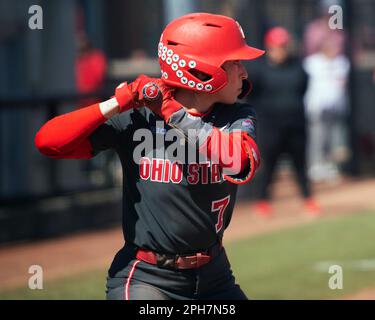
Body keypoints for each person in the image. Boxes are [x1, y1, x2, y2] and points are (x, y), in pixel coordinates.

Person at [35, 13, 263, 300]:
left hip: (215, 276)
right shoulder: (137, 116)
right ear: (204, 70)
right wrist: (117, 102)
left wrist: (172, 112)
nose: (244, 72)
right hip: (147, 277)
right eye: (235, 63)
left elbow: (238, 161)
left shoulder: (236, 116)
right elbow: (48, 142)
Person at [247, 27, 320, 216]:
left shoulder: (298, 67)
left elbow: (303, 87)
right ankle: (263, 202)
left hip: (295, 124)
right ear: (269, 47)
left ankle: (308, 200)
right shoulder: (259, 70)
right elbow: (250, 95)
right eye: (277, 46)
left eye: (283, 46)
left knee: (300, 164)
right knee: (268, 165)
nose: (280, 50)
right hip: (270, 126)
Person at [303, 37, 350, 182]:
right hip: (316, 106)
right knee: (317, 137)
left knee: (333, 138)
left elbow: (342, 84)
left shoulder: (342, 62)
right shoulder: (311, 63)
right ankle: (315, 167)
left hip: (335, 106)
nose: (335, 50)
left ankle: (330, 167)